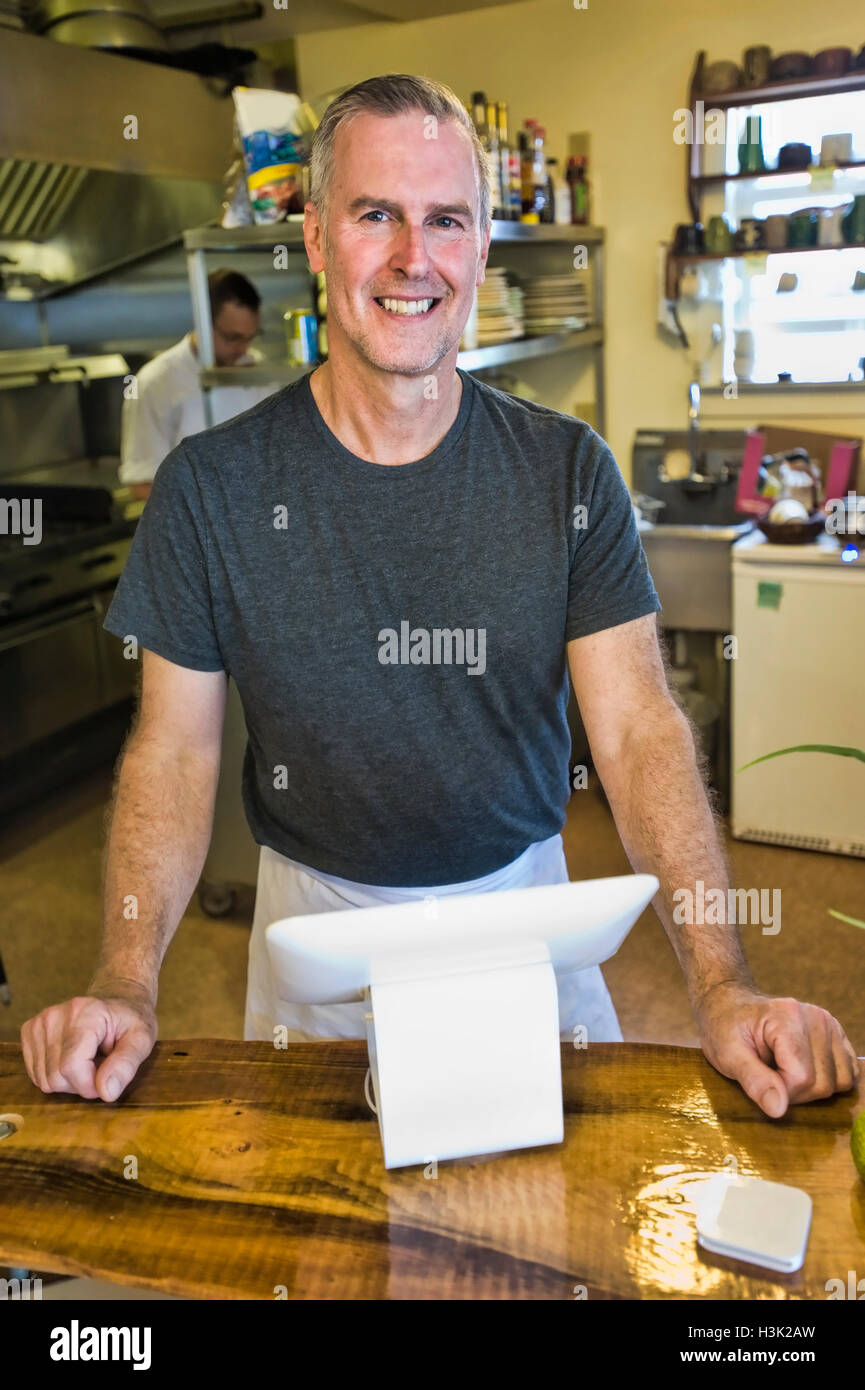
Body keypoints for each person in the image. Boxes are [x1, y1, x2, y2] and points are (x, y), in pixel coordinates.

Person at [22, 74, 859, 1122]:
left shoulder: (566, 472)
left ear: (480, 245)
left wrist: (722, 984)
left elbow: (640, 730)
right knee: (327, 1266)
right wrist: (125, 979)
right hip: (316, 943)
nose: (415, 258)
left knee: (549, 1255)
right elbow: (174, 752)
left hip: (526, 917)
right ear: (318, 239)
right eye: (376, 215)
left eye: (446, 220)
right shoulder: (211, 487)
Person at [119, 268, 275, 501]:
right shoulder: (155, 383)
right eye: (232, 338)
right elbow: (142, 485)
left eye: (250, 337)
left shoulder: (260, 374)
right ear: (202, 321)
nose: (243, 349)